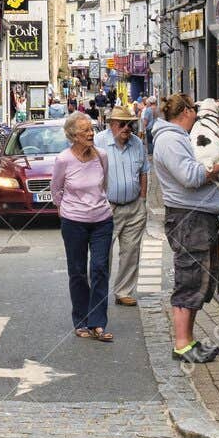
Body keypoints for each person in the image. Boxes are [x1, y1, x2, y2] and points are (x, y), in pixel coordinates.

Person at [151, 92, 219, 365]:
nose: (197, 112)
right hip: (189, 218)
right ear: (185, 111)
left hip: (195, 216)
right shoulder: (170, 140)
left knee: (199, 279)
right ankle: (182, 344)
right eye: (194, 108)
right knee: (189, 278)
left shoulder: (176, 138)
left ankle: (189, 341)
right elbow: (191, 177)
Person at [50, 110, 115, 343]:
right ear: (73, 136)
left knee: (99, 268)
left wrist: (97, 204)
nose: (91, 133)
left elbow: (104, 184)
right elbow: (56, 189)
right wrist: (65, 210)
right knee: (77, 272)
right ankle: (81, 320)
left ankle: (98, 322)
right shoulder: (63, 159)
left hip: (102, 220)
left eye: (91, 129)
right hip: (73, 222)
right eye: (85, 130)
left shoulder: (102, 156)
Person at [95, 104, 149, 308]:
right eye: (123, 124)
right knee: (102, 253)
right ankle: (98, 292)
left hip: (134, 206)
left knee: (131, 252)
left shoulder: (137, 143)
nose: (127, 128)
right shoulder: (99, 143)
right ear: (112, 125)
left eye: (131, 124)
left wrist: (143, 201)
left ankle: (123, 291)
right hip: (108, 207)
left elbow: (144, 172)